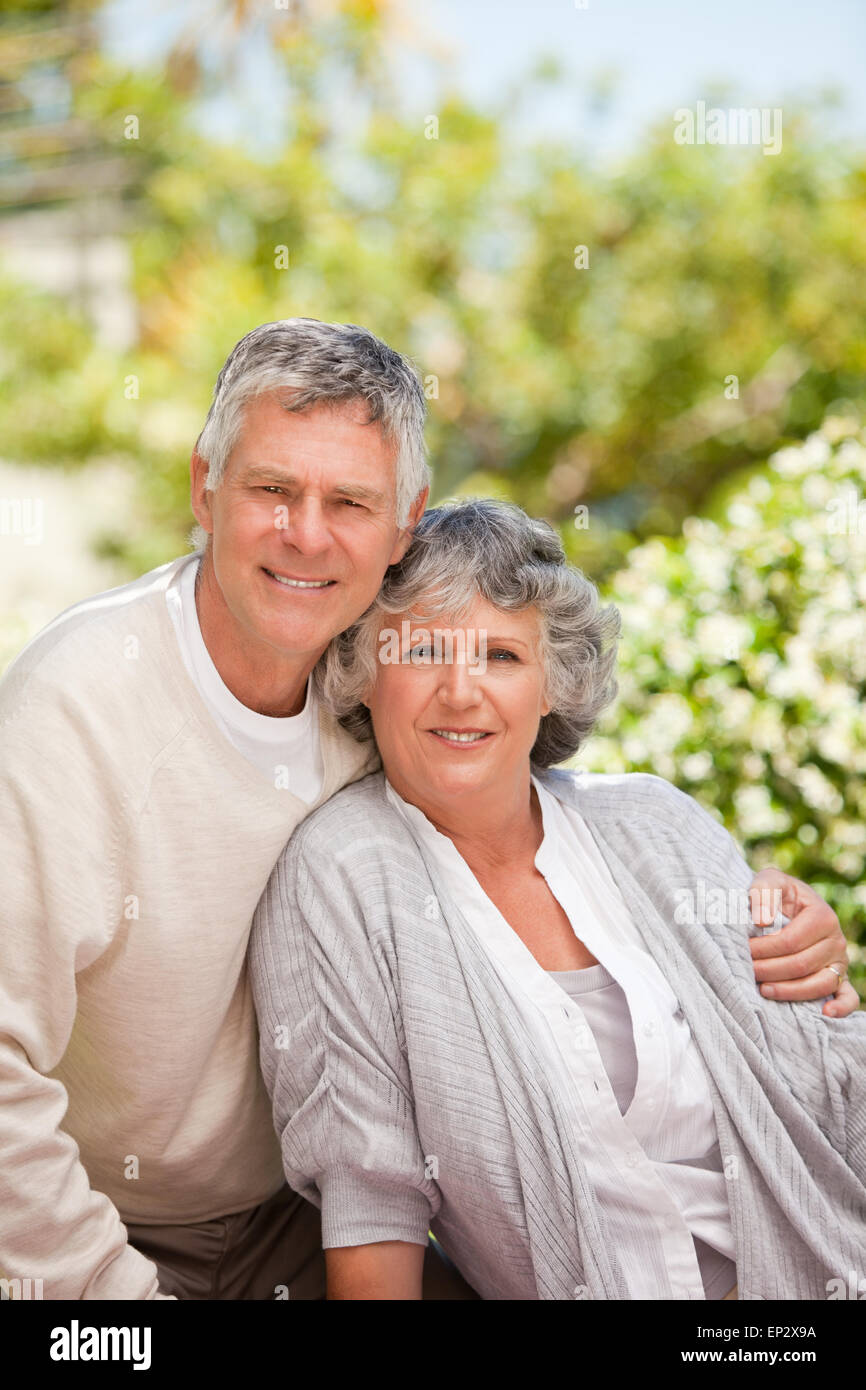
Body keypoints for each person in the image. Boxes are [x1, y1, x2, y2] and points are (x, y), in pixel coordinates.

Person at [0, 320, 853, 1301]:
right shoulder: (78, 709)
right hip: (102, 1213)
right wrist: (107, 1296)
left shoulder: (368, 682)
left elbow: (529, 778)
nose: (307, 534)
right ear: (205, 487)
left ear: (400, 525)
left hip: (285, 1212)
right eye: (272, 489)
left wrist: (776, 924)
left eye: (349, 501)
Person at [250, 498, 865, 1301]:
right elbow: (373, 1206)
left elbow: (828, 1070)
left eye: (502, 656)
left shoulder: (653, 820)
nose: (462, 692)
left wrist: (819, 964)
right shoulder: (341, 876)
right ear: (365, 673)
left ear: (551, 685)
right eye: (425, 649)